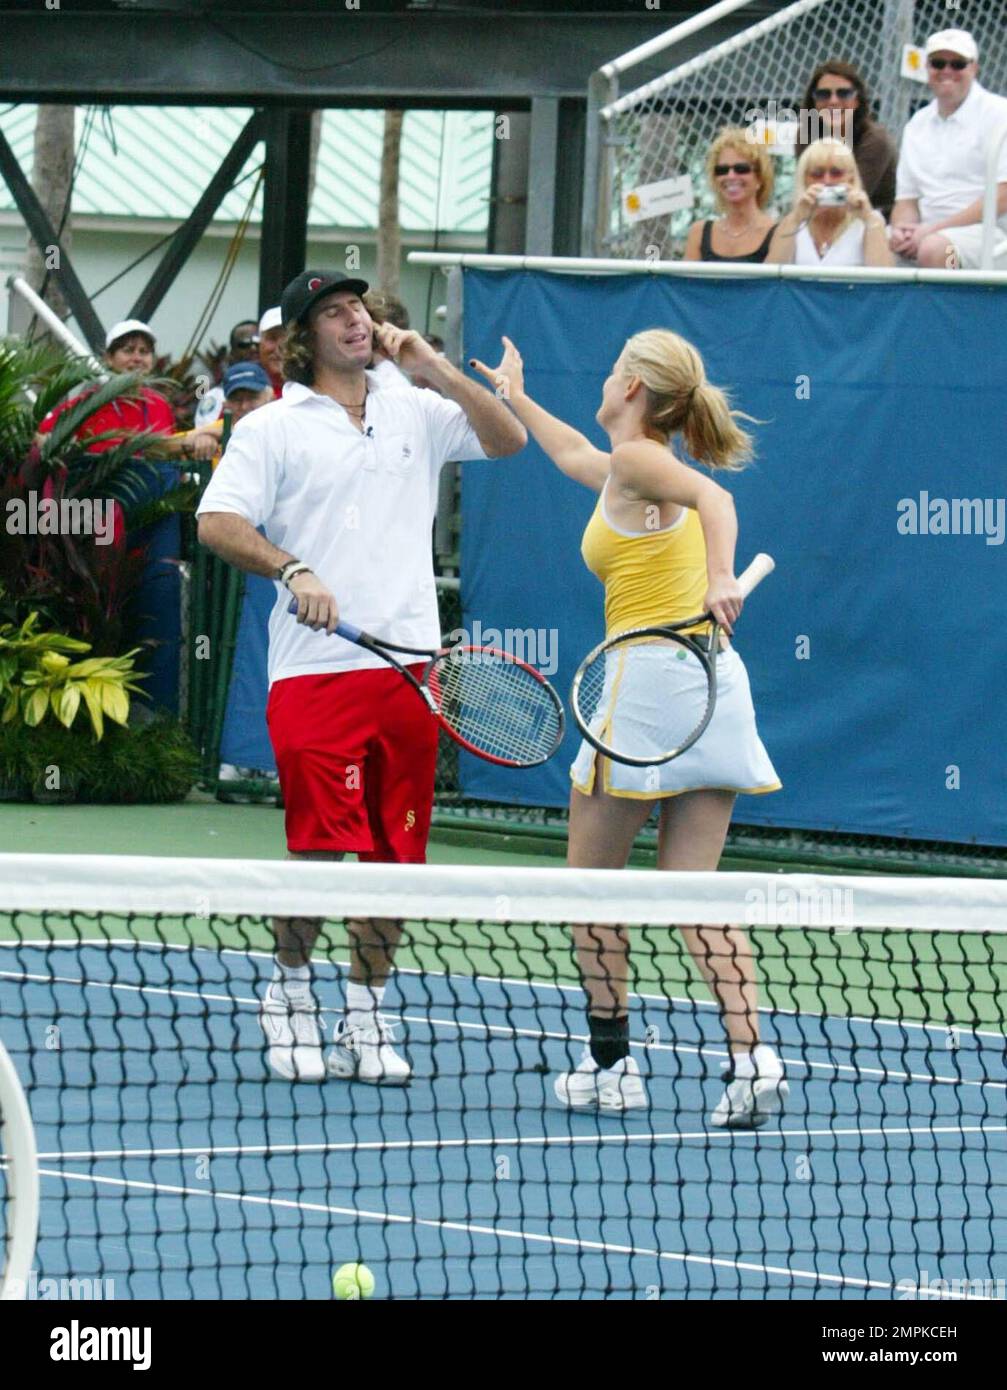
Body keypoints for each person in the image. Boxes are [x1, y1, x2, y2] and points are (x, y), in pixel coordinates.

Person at [196, 271, 526, 1084]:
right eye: (336, 312)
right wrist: (291, 566)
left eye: (362, 309)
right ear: (306, 337)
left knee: (394, 857)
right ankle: (291, 991)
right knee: (317, 845)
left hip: (411, 667)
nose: (356, 320)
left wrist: (432, 366)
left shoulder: (412, 404)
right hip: (316, 672)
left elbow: (507, 439)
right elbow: (215, 521)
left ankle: (368, 1010)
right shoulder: (272, 427)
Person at [470, 330, 785, 1129]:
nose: (603, 379)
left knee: (590, 888)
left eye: (613, 369)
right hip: (713, 686)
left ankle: (611, 1066)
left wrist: (719, 575)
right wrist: (515, 396)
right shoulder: (629, 468)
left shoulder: (645, 463)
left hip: (649, 687)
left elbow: (719, 501)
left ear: (635, 388)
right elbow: (576, 452)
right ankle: (752, 1060)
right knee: (692, 894)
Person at [890, 29, 1007, 270]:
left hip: (991, 237)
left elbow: (1002, 196)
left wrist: (932, 231)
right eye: (938, 63)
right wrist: (902, 231)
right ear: (927, 67)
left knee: (936, 251)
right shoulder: (917, 124)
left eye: (957, 64)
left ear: (974, 68)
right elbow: (906, 201)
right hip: (928, 231)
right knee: (872, 241)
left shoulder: (999, 114)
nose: (947, 71)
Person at [38, 319, 218, 461]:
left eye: (144, 351)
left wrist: (203, 439)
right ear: (109, 358)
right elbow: (40, 435)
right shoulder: (90, 401)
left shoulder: (160, 404)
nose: (137, 358)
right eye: (128, 350)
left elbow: (167, 450)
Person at [766, 138, 893, 266]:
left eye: (836, 173)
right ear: (804, 179)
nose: (827, 181)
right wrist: (795, 219)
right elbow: (771, 276)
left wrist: (868, 218)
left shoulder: (869, 221)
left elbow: (883, 278)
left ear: (851, 178)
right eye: (817, 174)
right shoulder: (793, 222)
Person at [795, 61, 897, 219]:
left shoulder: (875, 139)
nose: (833, 101)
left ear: (857, 101)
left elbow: (854, 195)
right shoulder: (806, 135)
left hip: (872, 219)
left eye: (844, 93)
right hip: (818, 217)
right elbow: (802, 188)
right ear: (814, 102)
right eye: (823, 94)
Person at [682, 129, 777, 264]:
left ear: (760, 178)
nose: (731, 176)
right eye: (722, 170)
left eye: (741, 169)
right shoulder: (699, 233)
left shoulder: (777, 234)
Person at [257, 305, 286, 396]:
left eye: (288, 338)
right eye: (272, 338)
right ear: (259, 344)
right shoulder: (241, 389)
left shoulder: (319, 389)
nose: (280, 347)